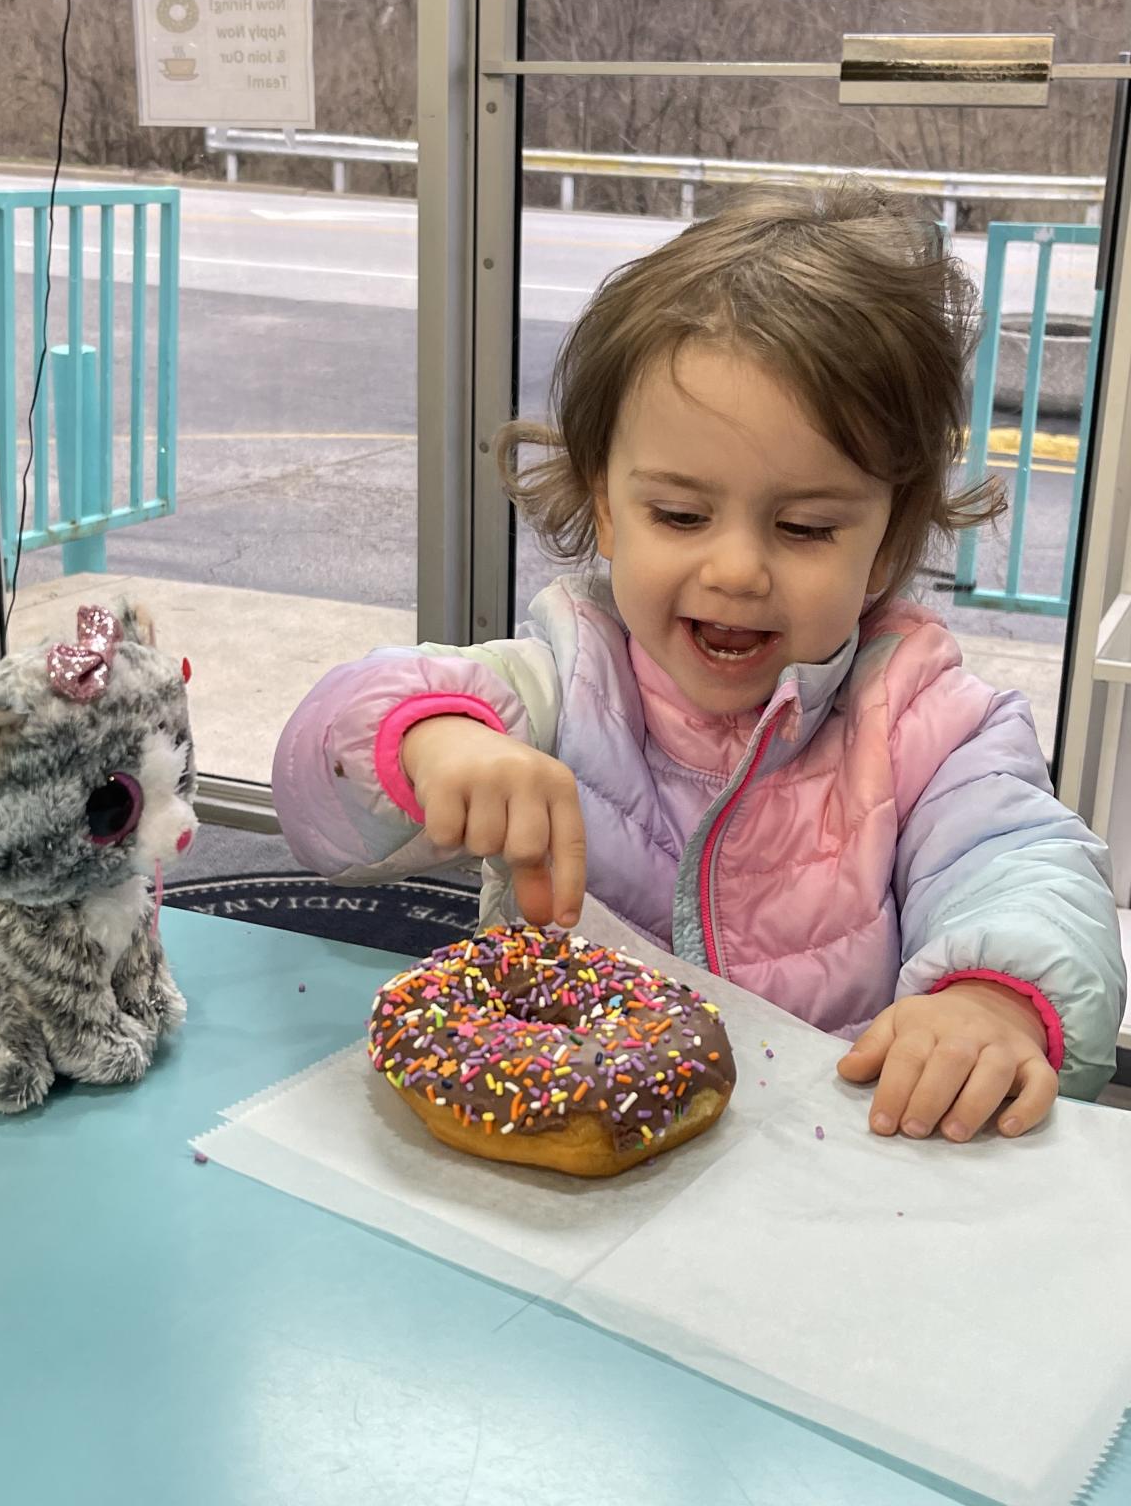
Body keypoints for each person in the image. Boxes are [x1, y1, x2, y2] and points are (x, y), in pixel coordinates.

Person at [274, 179, 1125, 1144]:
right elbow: (328, 769)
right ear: (606, 510)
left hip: (825, 1154)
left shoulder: (926, 719)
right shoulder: (562, 678)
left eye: (805, 528)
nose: (735, 570)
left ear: (887, 545)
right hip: (559, 1140)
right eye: (680, 515)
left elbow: (1026, 865)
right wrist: (433, 745)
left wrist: (992, 1000)